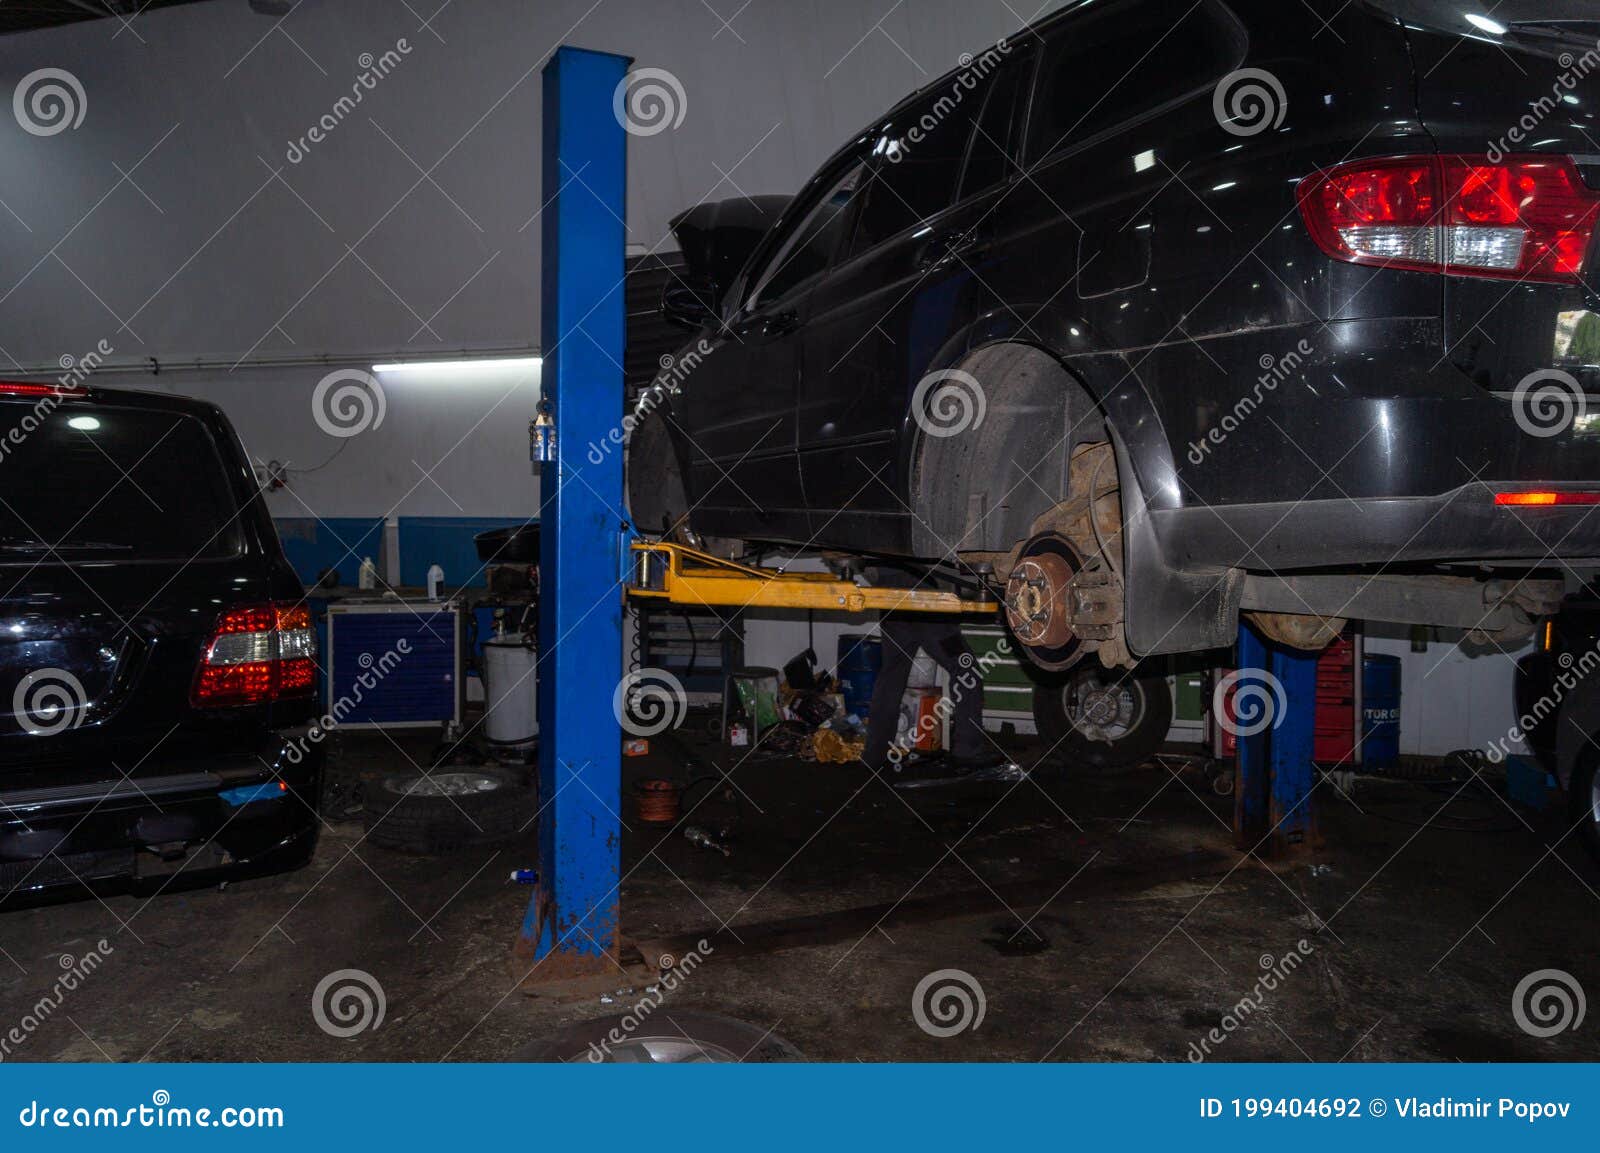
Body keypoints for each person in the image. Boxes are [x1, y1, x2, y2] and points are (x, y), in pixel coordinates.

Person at [858, 565, 1015, 780]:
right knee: (965, 669)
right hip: (923, 595)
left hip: (890, 593)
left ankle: (874, 756)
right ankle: (967, 751)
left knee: (892, 676)